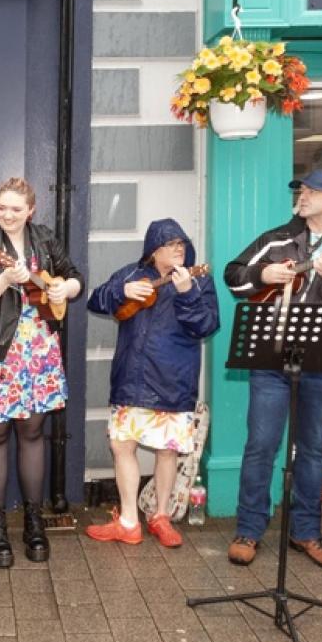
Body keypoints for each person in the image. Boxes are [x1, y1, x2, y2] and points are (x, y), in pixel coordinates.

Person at [223, 169, 322, 569]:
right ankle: (249, 529)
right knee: (260, 446)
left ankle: (307, 532)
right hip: (270, 358)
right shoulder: (278, 239)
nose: (303, 195)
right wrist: (262, 274)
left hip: (320, 360)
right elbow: (233, 274)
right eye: (301, 190)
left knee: (312, 449)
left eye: (312, 191)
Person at [0, 177, 82, 567]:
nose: (7, 215)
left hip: (39, 349)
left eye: (16, 209)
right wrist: (0, 282)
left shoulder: (45, 240)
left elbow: (73, 275)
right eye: (1, 208)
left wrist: (67, 289)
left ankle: (33, 520)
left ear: (31, 210)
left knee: (33, 431)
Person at [84, 218, 219, 547]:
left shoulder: (198, 280)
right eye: (170, 245)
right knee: (121, 446)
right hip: (131, 375)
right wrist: (121, 290)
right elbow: (95, 300)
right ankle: (129, 520)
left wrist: (187, 294)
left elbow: (207, 325)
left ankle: (161, 516)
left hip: (173, 378)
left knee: (166, 451)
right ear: (153, 250)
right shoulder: (131, 273)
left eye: (181, 244)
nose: (178, 250)